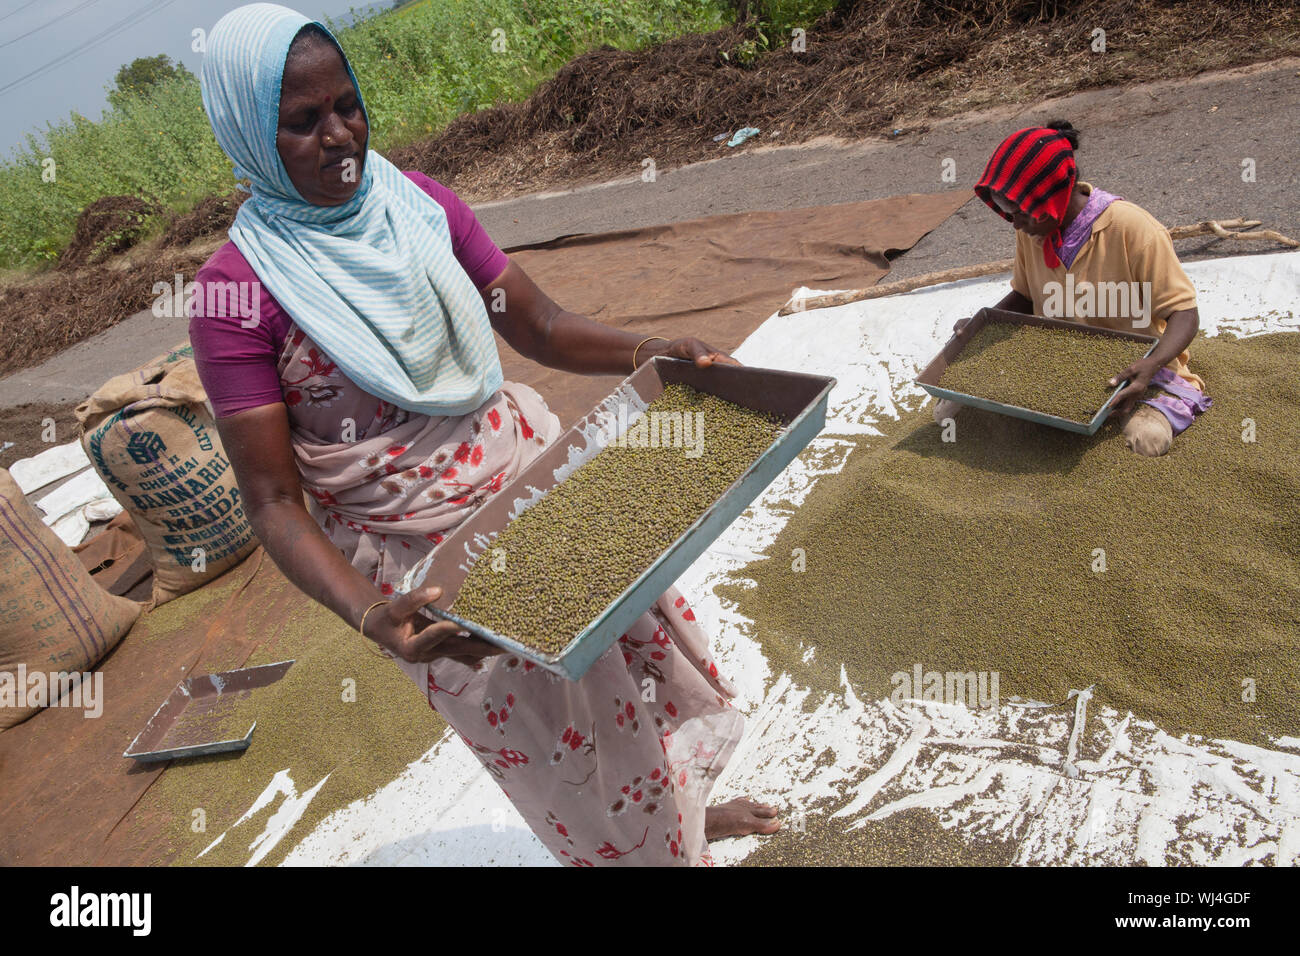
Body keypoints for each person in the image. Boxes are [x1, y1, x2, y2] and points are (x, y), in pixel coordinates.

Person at [188, 2, 779, 865]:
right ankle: (640, 851)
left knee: (634, 666)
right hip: (433, 572)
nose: (342, 135)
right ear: (248, 135)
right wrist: (373, 617)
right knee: (563, 748)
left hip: (537, 490)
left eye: (348, 104)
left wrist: (656, 350)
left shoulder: (413, 203)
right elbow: (274, 501)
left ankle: (683, 813)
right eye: (303, 122)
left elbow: (536, 325)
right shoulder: (236, 294)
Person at [937, 121, 1211, 454]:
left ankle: (1142, 402)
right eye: (1009, 214)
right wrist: (982, 325)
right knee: (947, 414)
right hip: (1056, 359)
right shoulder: (1031, 233)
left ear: (1051, 198)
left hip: (1138, 367)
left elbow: (1185, 313)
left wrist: (1149, 366)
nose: (1016, 223)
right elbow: (1025, 297)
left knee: (1147, 441)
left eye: (1021, 212)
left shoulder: (1133, 229)